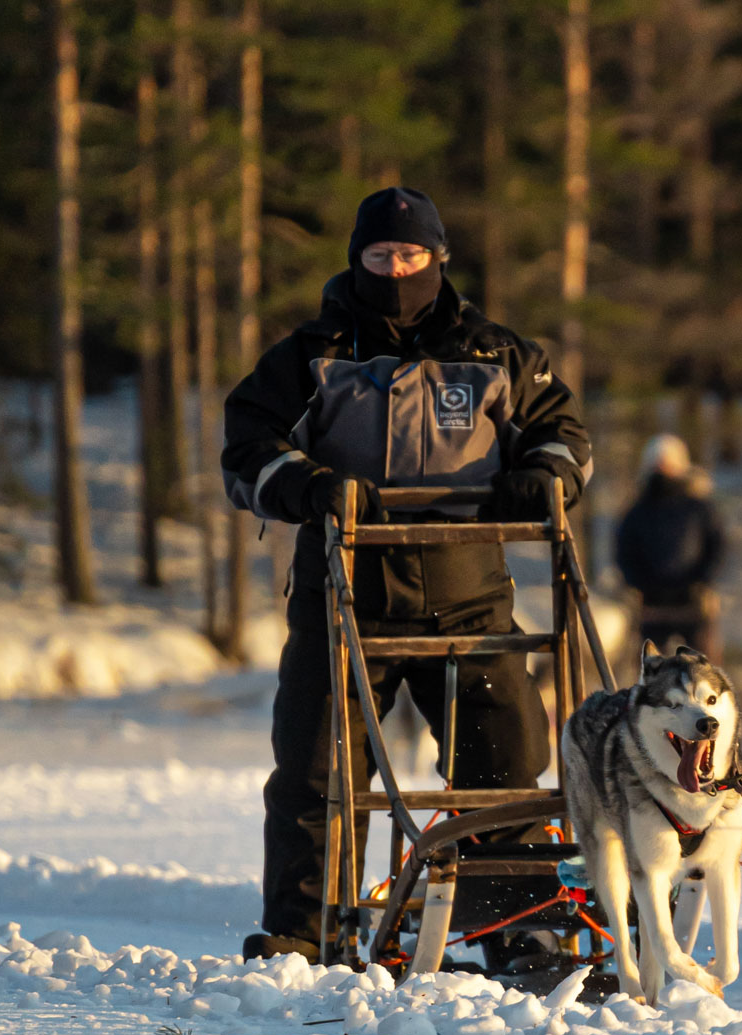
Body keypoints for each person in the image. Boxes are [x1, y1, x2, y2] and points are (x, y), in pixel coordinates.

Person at [221, 187, 591, 962]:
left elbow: (562, 431)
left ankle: (518, 929)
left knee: (504, 760)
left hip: (466, 592)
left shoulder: (494, 354)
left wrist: (547, 474)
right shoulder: (309, 355)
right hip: (344, 585)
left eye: (411, 255)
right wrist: (306, 483)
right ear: (357, 259)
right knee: (319, 767)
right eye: (381, 256)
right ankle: (307, 931)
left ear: (438, 257)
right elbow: (247, 446)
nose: (396, 269)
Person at [615, 434, 725, 660]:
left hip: (693, 603)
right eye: (659, 463)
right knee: (653, 676)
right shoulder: (637, 512)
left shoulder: (699, 509)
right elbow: (625, 552)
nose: (663, 468)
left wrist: (702, 579)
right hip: (652, 606)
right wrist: (638, 583)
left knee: (700, 673)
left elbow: (716, 546)